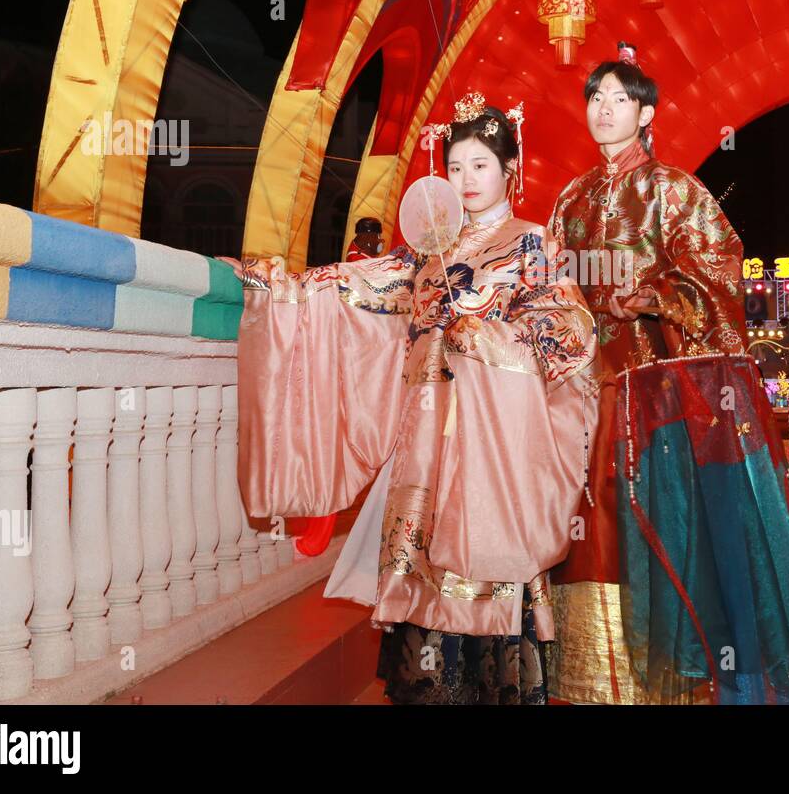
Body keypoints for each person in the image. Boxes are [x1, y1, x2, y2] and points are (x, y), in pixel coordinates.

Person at [225, 93, 597, 703]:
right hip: (424, 436)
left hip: (492, 439)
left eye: (481, 165)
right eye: (456, 166)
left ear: (510, 169)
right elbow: (356, 285)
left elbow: (571, 333)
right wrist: (279, 283)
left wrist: (485, 334)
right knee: (421, 559)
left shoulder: (533, 244)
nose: (467, 179)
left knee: (482, 559)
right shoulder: (428, 248)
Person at [546, 43, 789, 705]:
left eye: (619, 99)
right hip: (585, 395)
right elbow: (550, 282)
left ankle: (681, 675)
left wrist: (656, 296)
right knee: (591, 526)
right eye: (595, 98)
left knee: (671, 532)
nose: (604, 109)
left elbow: (720, 270)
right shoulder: (571, 197)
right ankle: (597, 677)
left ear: (646, 113)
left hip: (660, 400)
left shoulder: (675, 191)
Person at [290, 215, 387, 557]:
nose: (376, 242)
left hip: (354, 374)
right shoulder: (357, 270)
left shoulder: (354, 268)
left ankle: (321, 537)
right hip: (355, 377)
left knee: (337, 456)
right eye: (372, 236)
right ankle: (318, 537)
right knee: (341, 457)